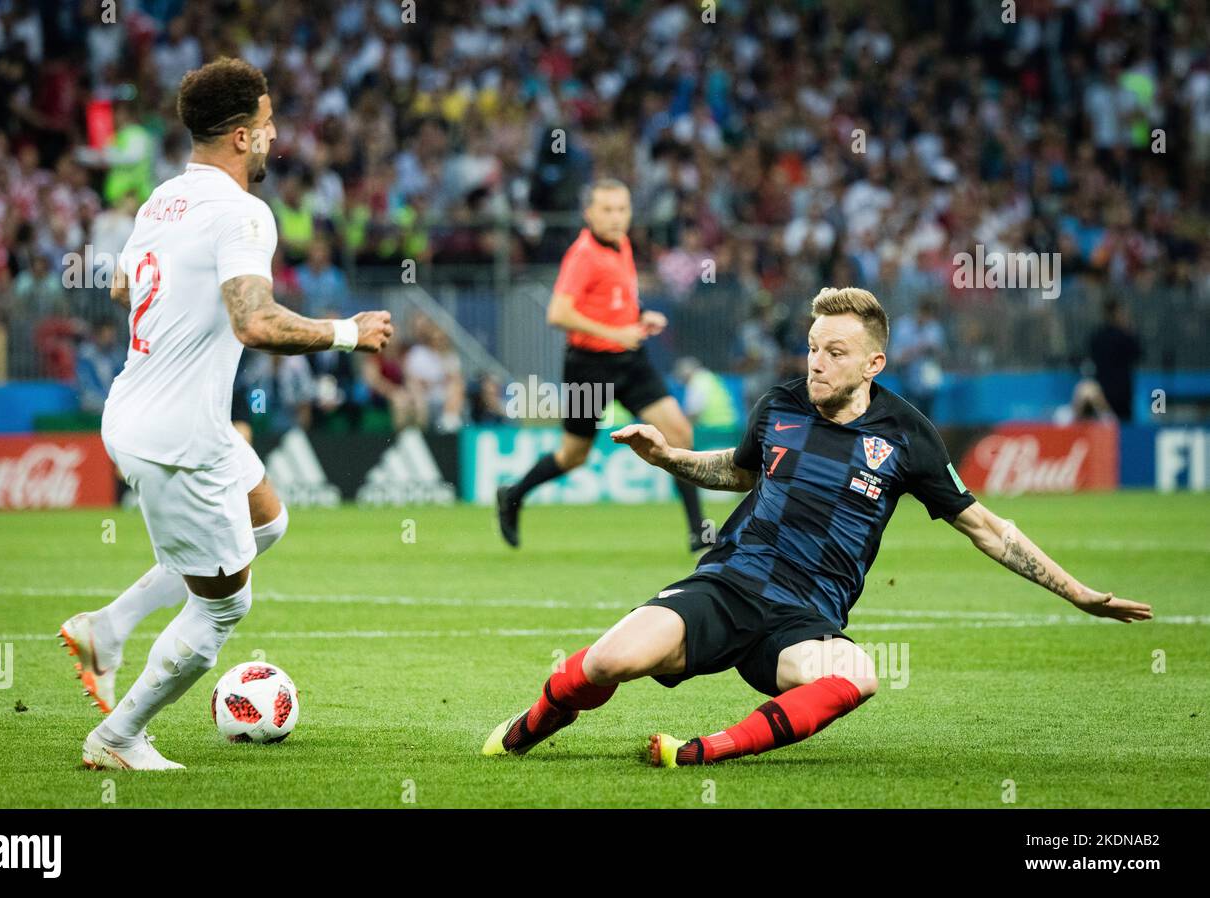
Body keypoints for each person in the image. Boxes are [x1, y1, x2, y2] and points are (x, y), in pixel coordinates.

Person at [483, 287, 1151, 767]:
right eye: (812, 349)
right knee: (606, 662)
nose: (817, 363)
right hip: (728, 584)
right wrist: (670, 458)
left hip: (802, 620)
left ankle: (703, 750)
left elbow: (987, 528)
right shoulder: (782, 404)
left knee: (857, 675)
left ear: (873, 364)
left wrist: (1078, 593)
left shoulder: (906, 435)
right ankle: (528, 727)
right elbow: (740, 472)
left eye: (835, 352)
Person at [58, 57, 394, 771]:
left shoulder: (162, 201)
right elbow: (255, 323)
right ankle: (116, 738)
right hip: (177, 435)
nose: (275, 137)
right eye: (268, 125)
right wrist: (347, 332)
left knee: (267, 520)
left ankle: (108, 628)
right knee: (223, 609)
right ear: (242, 137)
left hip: (143, 411)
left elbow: (123, 288)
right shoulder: (244, 212)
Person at [496, 178, 707, 551]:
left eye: (622, 209)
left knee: (679, 433)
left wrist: (641, 315)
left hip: (630, 360)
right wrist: (615, 330)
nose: (615, 217)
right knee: (574, 456)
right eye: (607, 210)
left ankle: (698, 532)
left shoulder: (622, 244)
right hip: (588, 367)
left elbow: (615, 298)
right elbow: (558, 313)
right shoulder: (582, 255)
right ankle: (513, 494)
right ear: (589, 213)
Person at [1088, 299, 1142, 421]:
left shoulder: (1097, 336)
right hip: (1121, 393)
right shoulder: (1124, 337)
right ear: (1117, 313)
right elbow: (1137, 354)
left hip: (1102, 392)